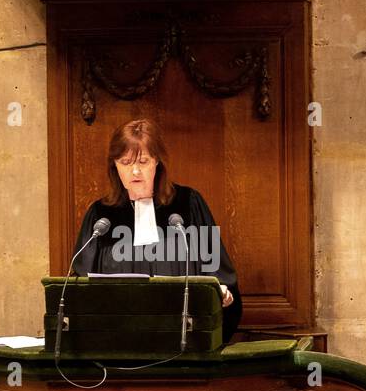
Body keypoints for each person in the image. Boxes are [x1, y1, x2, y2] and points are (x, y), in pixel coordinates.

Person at [72, 118, 243, 343]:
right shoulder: (101, 217)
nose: (135, 171)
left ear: (157, 162)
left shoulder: (189, 205)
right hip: (117, 346)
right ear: (114, 165)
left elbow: (220, 278)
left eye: (143, 161)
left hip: (185, 343)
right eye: (125, 162)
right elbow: (80, 289)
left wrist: (221, 293)